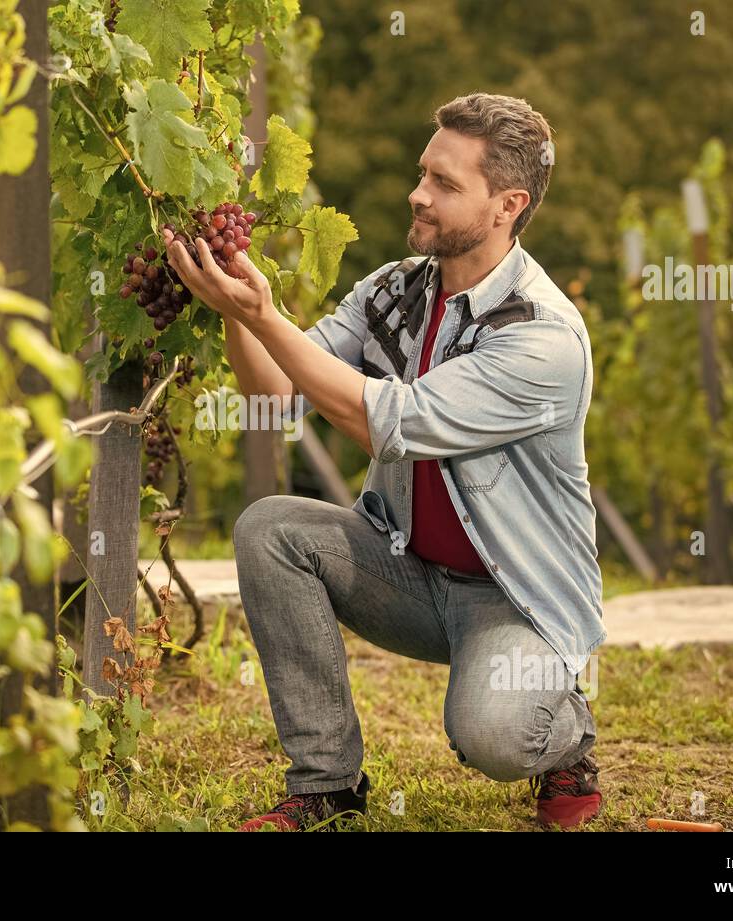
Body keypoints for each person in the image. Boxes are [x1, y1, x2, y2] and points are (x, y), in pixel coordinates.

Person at [162, 92, 604, 832]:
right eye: (423, 172)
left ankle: (567, 734)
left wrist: (268, 316)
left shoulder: (541, 336)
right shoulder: (397, 290)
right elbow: (276, 399)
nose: (418, 193)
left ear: (507, 205)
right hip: (405, 568)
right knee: (271, 529)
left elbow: (392, 424)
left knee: (492, 733)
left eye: (445, 184)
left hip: (511, 595)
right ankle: (328, 782)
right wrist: (239, 313)